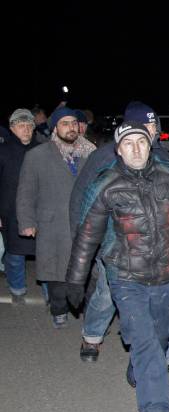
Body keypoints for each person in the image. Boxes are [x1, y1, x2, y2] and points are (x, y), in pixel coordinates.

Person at [66, 122, 169, 412]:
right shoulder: (107, 184)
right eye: (128, 143)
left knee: (159, 336)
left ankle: (139, 370)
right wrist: (76, 279)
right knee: (145, 339)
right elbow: (87, 235)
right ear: (118, 149)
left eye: (141, 142)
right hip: (126, 276)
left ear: (151, 146)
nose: (136, 148)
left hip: (167, 274)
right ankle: (156, 408)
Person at [69, 101, 169, 373]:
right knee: (106, 295)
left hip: (160, 246)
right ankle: (91, 337)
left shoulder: (163, 157)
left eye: (154, 126)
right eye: (147, 125)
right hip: (117, 246)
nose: (152, 130)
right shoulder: (104, 156)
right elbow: (83, 199)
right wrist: (83, 248)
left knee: (167, 298)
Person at [17, 107, 96, 327]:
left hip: (84, 223)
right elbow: (26, 191)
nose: (71, 127)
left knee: (88, 272)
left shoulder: (90, 153)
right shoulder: (37, 155)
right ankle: (59, 309)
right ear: (55, 128)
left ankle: (92, 316)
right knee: (56, 273)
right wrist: (27, 222)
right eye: (64, 123)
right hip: (53, 223)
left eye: (73, 123)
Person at [0, 109, 40, 304]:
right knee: (15, 253)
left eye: (29, 126)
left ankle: (52, 296)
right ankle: (17, 289)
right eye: (21, 125)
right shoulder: (3, 151)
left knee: (44, 253)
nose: (26, 130)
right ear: (12, 127)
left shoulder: (42, 150)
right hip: (10, 211)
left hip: (39, 211)